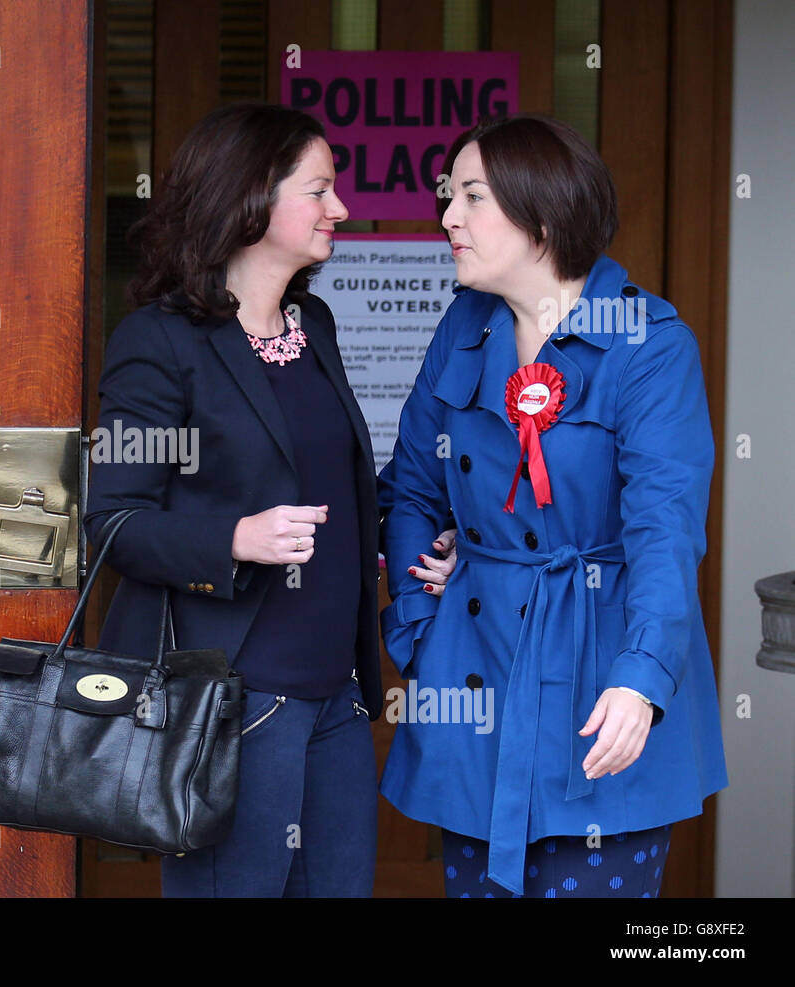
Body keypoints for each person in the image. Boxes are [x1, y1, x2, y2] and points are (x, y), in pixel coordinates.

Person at [84, 101, 451, 897]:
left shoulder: (313, 323)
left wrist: (427, 540)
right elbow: (111, 523)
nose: (341, 209)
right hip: (231, 705)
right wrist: (234, 539)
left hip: (339, 702)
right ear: (251, 198)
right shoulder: (159, 340)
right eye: (319, 190)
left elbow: (333, 490)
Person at [377, 113, 728, 898]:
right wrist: (417, 626)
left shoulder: (648, 341)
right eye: (449, 197)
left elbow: (665, 530)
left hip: (599, 672)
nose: (447, 219)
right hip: (474, 668)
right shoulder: (464, 326)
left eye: (471, 197)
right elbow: (411, 487)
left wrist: (640, 680)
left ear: (541, 214)